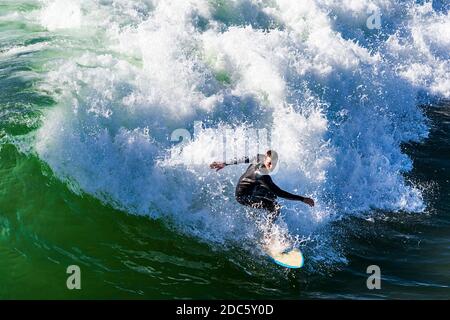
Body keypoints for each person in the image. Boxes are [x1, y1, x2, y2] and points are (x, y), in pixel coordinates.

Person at [210, 150, 314, 223]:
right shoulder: (262, 175)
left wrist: (225, 163)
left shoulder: (260, 157)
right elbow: (279, 192)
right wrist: (302, 199)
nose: (271, 167)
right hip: (243, 196)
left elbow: (244, 159)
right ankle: (267, 234)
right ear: (265, 160)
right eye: (269, 163)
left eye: (274, 164)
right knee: (275, 207)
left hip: (253, 186)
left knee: (272, 196)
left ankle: (261, 211)